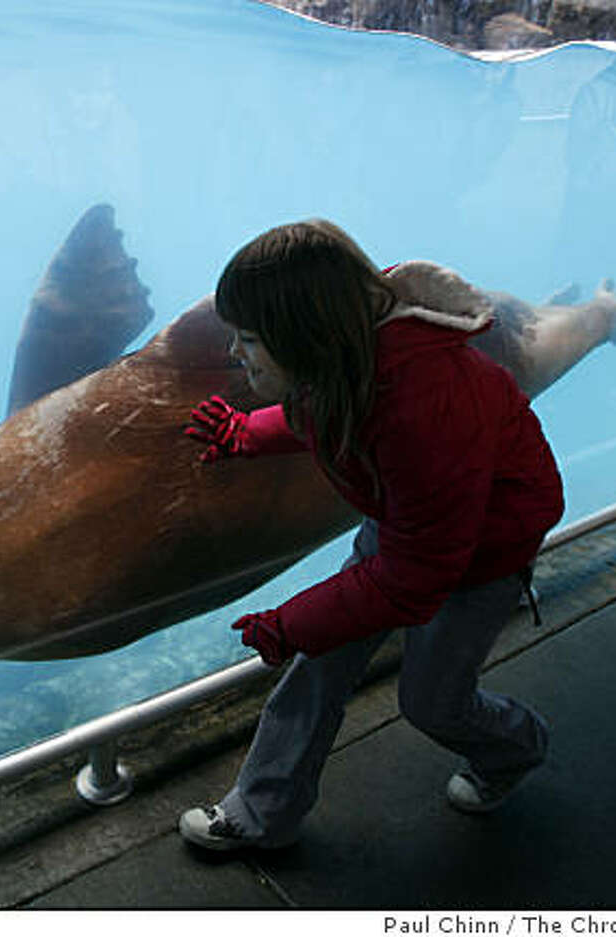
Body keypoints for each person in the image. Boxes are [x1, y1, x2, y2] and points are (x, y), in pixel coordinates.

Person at [179, 219, 563, 851]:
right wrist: (246, 434)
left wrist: (291, 621)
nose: (233, 354)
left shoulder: (423, 413)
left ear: (303, 336)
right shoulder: (355, 348)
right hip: (410, 523)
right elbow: (328, 405)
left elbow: (415, 578)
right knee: (319, 663)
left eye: (248, 339)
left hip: (484, 553)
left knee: (432, 702)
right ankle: (261, 812)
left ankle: (516, 746)